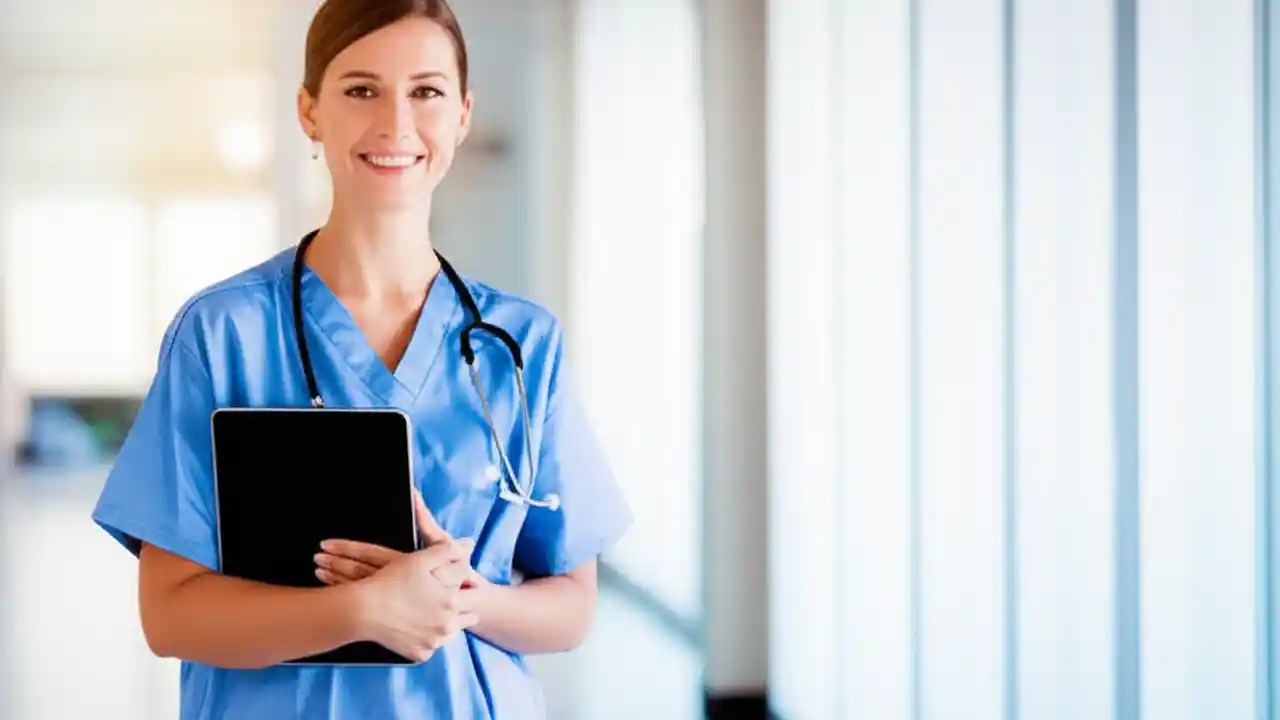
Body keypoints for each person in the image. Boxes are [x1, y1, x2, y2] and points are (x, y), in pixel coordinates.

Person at [89, 1, 633, 717]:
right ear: (309, 112)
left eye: (426, 92)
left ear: (463, 114)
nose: (396, 124)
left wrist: (467, 600)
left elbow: (571, 606)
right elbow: (171, 617)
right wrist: (364, 610)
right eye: (361, 89)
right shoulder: (222, 334)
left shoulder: (523, 344)